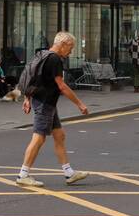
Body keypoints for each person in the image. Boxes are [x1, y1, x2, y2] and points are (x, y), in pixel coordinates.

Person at [16, 31, 90, 187]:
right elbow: (62, 86)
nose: (71, 52)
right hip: (44, 103)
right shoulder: (55, 59)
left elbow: (33, 78)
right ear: (63, 44)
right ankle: (23, 174)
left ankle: (69, 173)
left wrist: (27, 98)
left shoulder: (43, 54)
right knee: (39, 137)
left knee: (59, 135)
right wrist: (80, 104)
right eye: (70, 47)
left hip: (44, 102)